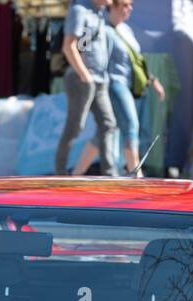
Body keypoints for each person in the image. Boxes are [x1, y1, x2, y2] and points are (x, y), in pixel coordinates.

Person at [71, 0, 164, 176]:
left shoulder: (126, 30)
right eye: (124, 4)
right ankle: (136, 174)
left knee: (105, 130)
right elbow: (81, 48)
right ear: (111, 6)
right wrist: (85, 76)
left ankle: (76, 173)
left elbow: (136, 62)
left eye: (131, 5)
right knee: (130, 125)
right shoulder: (96, 24)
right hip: (112, 84)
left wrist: (153, 80)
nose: (129, 9)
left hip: (126, 86)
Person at [55, 0, 117, 177]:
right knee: (75, 126)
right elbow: (69, 46)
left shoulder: (97, 14)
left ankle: (110, 173)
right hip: (82, 79)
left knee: (108, 124)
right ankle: (59, 172)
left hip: (99, 79)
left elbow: (85, 45)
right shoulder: (79, 10)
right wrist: (85, 76)